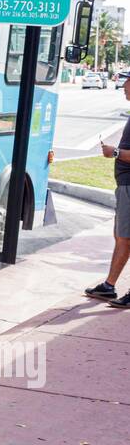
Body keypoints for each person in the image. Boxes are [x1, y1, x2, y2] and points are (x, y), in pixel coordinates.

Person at [85, 73, 130, 307]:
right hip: (125, 186)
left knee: (125, 238)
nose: (124, 86)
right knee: (121, 237)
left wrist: (113, 152)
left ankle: (111, 287)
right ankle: (109, 286)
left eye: (128, 82)